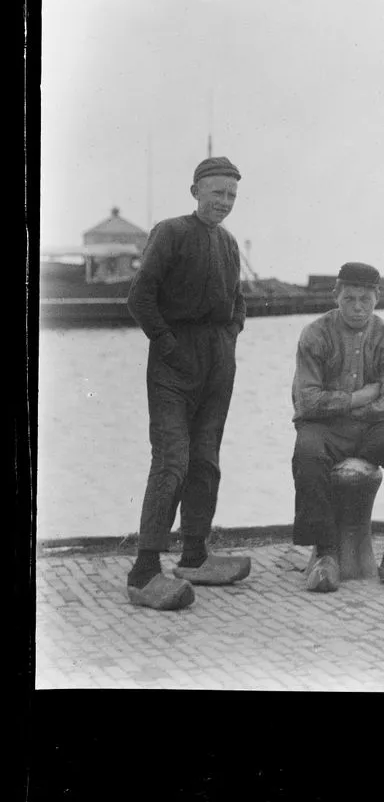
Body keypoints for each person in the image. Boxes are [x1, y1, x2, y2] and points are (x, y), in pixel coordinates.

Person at [125, 156, 251, 609]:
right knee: (172, 460)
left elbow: (237, 301)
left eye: (232, 195)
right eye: (217, 192)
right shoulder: (170, 232)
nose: (224, 202)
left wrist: (231, 335)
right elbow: (139, 297)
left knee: (206, 459)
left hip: (218, 361)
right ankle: (143, 571)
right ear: (195, 190)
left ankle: (195, 554)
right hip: (174, 362)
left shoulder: (230, 243)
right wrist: (168, 343)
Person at [291, 262, 384, 592]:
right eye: (349, 298)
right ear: (336, 296)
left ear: (377, 298)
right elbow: (307, 401)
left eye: (365, 300)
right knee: (307, 454)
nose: (357, 307)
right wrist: (357, 398)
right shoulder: (315, 334)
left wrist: (341, 403)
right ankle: (326, 556)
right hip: (322, 428)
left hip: (372, 428)